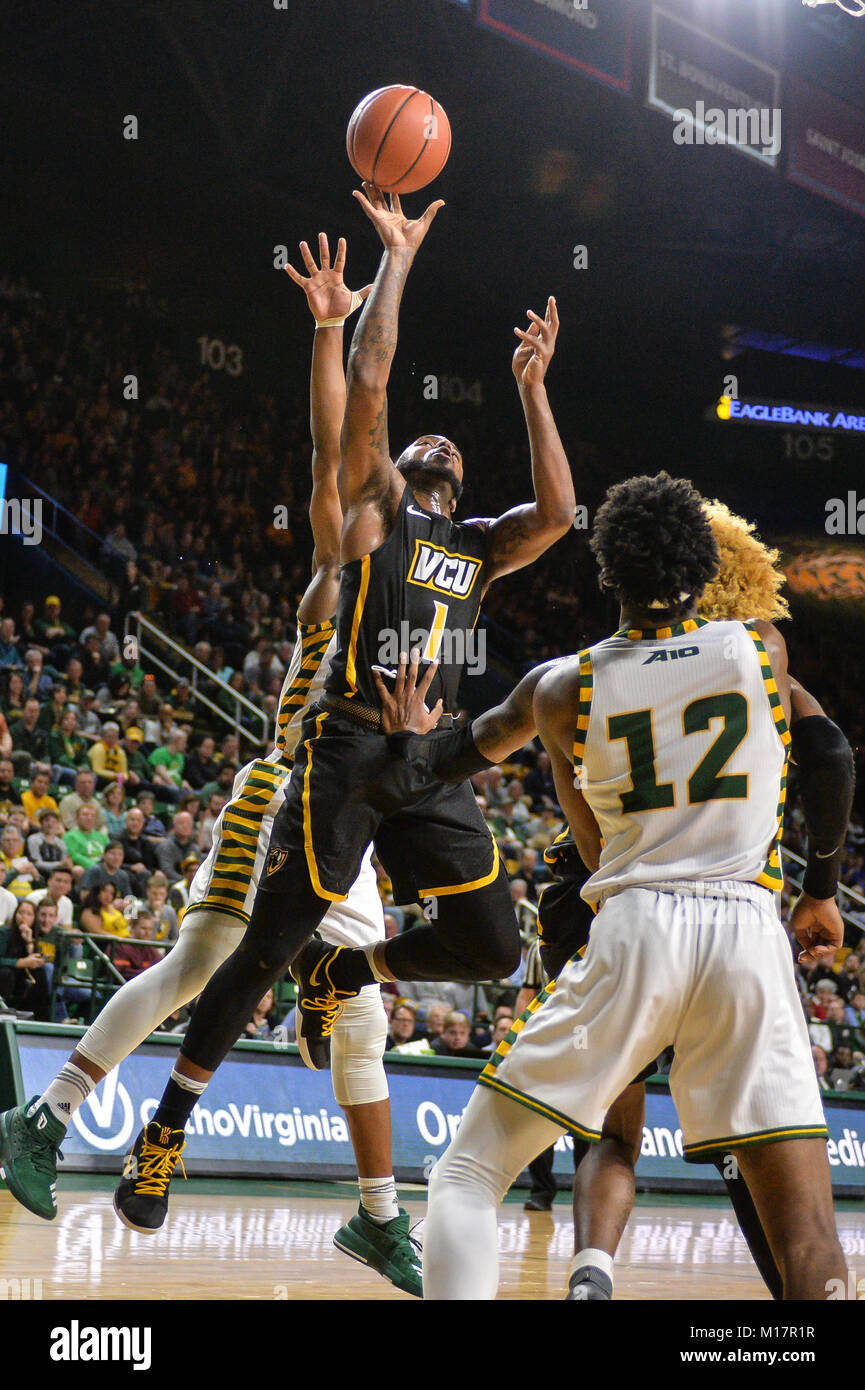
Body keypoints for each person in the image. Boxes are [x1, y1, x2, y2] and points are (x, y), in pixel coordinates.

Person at [0, 238, 426, 1300]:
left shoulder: (439, 601)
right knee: (194, 973)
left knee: (363, 1019)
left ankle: (379, 1220)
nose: (426, 481)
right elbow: (335, 444)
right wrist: (331, 326)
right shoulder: (349, 557)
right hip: (285, 794)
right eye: (417, 468)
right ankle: (43, 1118)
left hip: (353, 827)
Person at [421, 471, 849, 1301]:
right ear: (702, 567)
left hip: (635, 923)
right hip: (748, 936)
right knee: (808, 1242)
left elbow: (464, 765)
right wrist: (820, 889)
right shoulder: (761, 649)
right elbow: (827, 751)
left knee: (468, 1174)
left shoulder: (558, 687)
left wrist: (406, 739)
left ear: (605, 572)